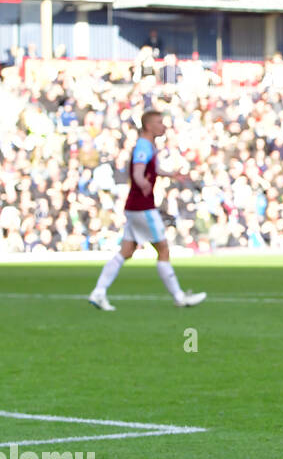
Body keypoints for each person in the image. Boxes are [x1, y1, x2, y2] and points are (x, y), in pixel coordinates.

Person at [88, 110, 206, 311]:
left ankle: (98, 292)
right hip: (143, 207)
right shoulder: (143, 145)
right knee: (163, 249)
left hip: (135, 206)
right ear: (149, 126)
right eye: (159, 122)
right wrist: (142, 183)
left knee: (126, 251)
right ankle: (179, 296)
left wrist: (170, 174)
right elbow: (138, 171)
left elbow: (150, 169)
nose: (163, 126)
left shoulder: (148, 145)